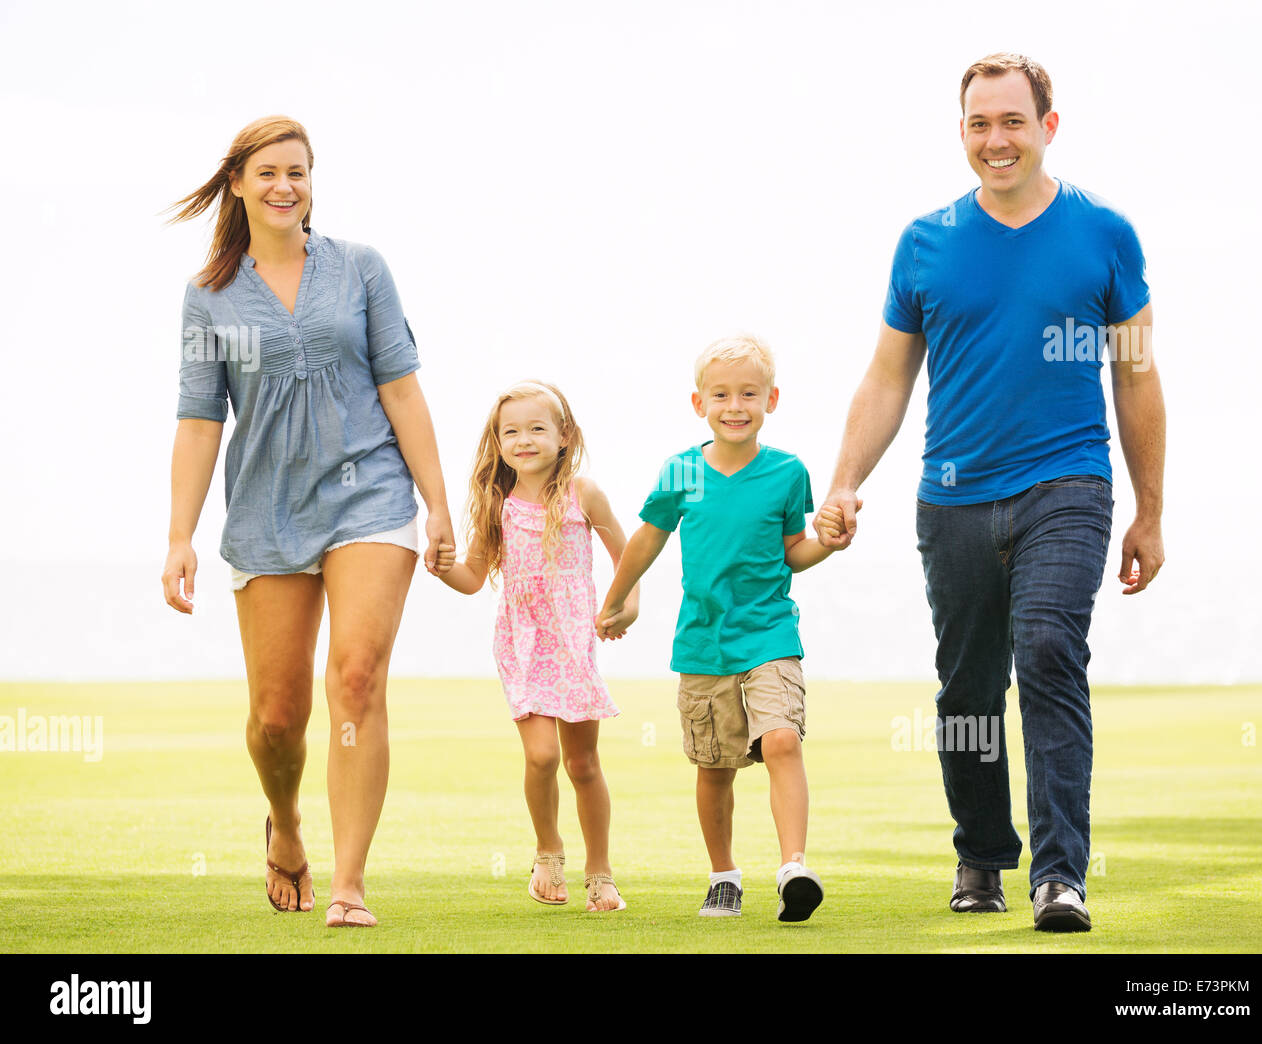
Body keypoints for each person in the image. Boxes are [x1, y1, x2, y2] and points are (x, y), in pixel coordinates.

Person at [815, 54, 1166, 932]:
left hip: (1067, 484)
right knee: (968, 689)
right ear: (962, 132)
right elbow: (889, 379)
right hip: (954, 498)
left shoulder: (1106, 235)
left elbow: (1136, 377)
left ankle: (1060, 875)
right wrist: (846, 480)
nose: (996, 139)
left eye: (1013, 121)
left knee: (1048, 650)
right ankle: (980, 857)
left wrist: (1151, 511)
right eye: (979, 124)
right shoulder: (924, 242)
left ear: (1049, 126)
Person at [161, 116, 456, 928]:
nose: (285, 186)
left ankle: (350, 884)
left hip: (371, 498)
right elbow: (198, 421)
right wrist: (180, 534)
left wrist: (435, 505)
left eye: (298, 171)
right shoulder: (208, 295)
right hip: (267, 508)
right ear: (238, 184)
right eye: (268, 173)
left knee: (356, 678)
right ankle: (285, 825)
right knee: (277, 718)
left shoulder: (361, 269)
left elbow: (402, 391)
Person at [597, 335, 838, 922]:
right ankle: (724, 876)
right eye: (722, 394)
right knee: (715, 767)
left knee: (782, 738)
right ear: (698, 402)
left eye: (749, 394)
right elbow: (648, 538)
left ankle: (793, 868)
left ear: (771, 399)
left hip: (770, 633)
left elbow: (793, 552)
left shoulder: (788, 473)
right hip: (703, 642)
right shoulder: (681, 473)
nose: (736, 405)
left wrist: (826, 544)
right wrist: (615, 598)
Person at [437, 381, 630, 912]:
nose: (524, 440)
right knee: (542, 755)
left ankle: (600, 873)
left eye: (537, 428)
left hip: (571, 642)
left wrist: (626, 604)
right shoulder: (498, 503)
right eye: (511, 431)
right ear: (498, 443)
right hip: (522, 643)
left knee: (584, 763)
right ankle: (548, 851)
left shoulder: (583, 494)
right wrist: (439, 566)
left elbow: (627, 555)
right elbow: (474, 576)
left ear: (564, 436)